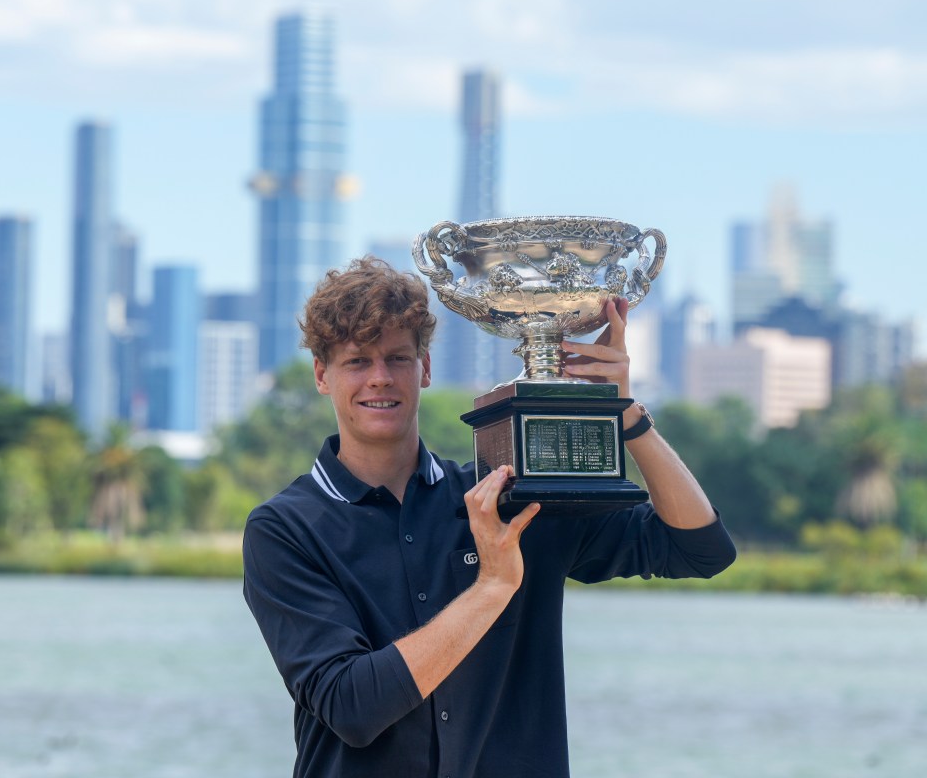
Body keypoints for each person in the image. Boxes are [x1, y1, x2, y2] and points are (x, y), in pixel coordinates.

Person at [242, 256, 736, 778]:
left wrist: (627, 415)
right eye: (357, 362)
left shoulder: (506, 501)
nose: (380, 379)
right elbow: (353, 707)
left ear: (425, 368)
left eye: (398, 358)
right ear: (323, 375)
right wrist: (492, 585)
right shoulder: (286, 529)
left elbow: (700, 550)